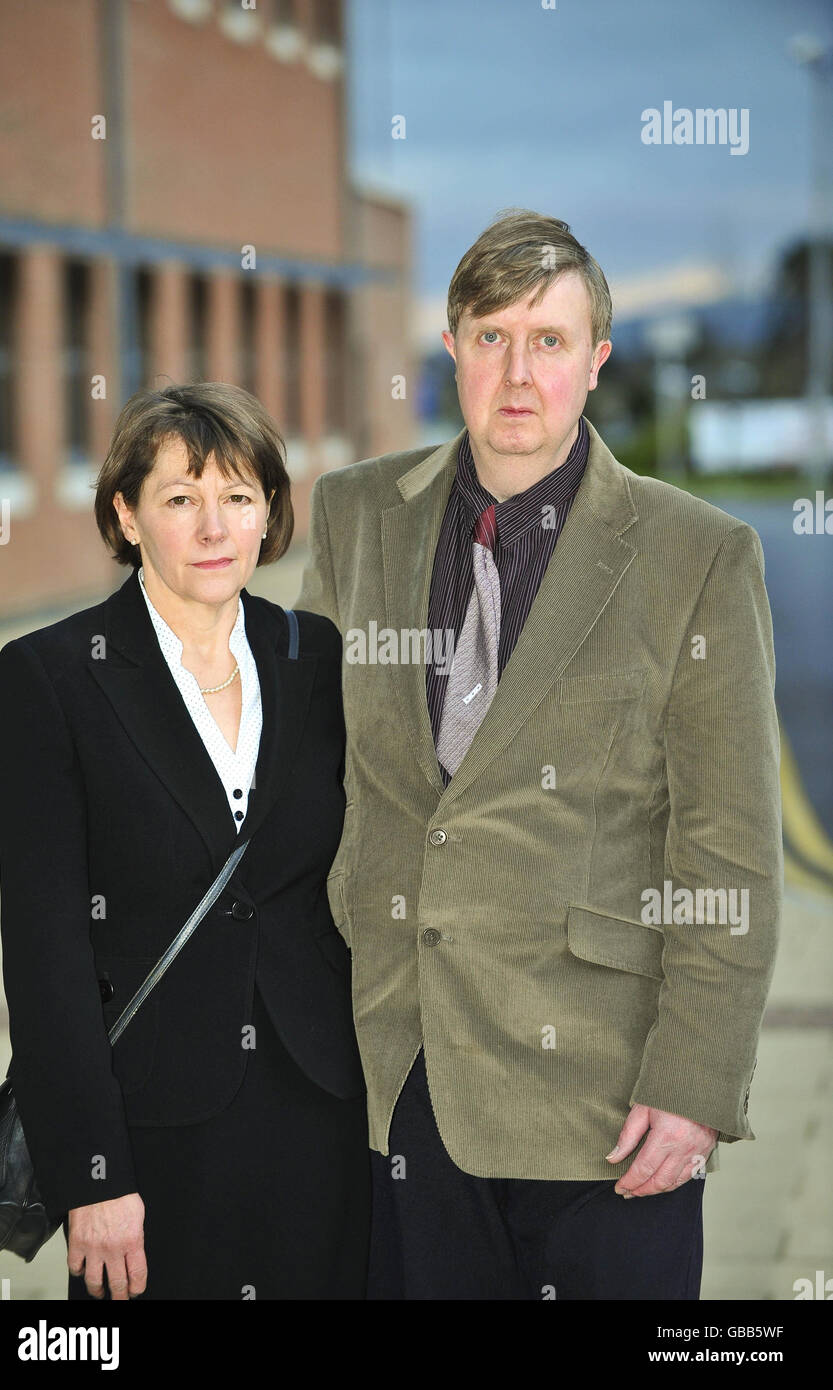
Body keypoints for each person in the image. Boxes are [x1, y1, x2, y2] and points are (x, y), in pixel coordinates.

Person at [296, 210, 782, 1300]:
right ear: (453, 348)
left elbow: (730, 850)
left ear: (597, 360)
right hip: (398, 1070)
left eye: (549, 341)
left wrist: (697, 1080)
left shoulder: (695, 554)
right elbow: (301, 780)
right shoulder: (357, 516)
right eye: (490, 337)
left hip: (604, 1101)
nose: (518, 372)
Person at [0, 381, 370, 1300]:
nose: (213, 528)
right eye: (180, 499)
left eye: (239, 497)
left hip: (318, 1107)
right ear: (125, 513)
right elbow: (45, 954)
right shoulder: (51, 676)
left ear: (270, 513)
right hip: (151, 1129)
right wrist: (92, 1176)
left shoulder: (311, 655)